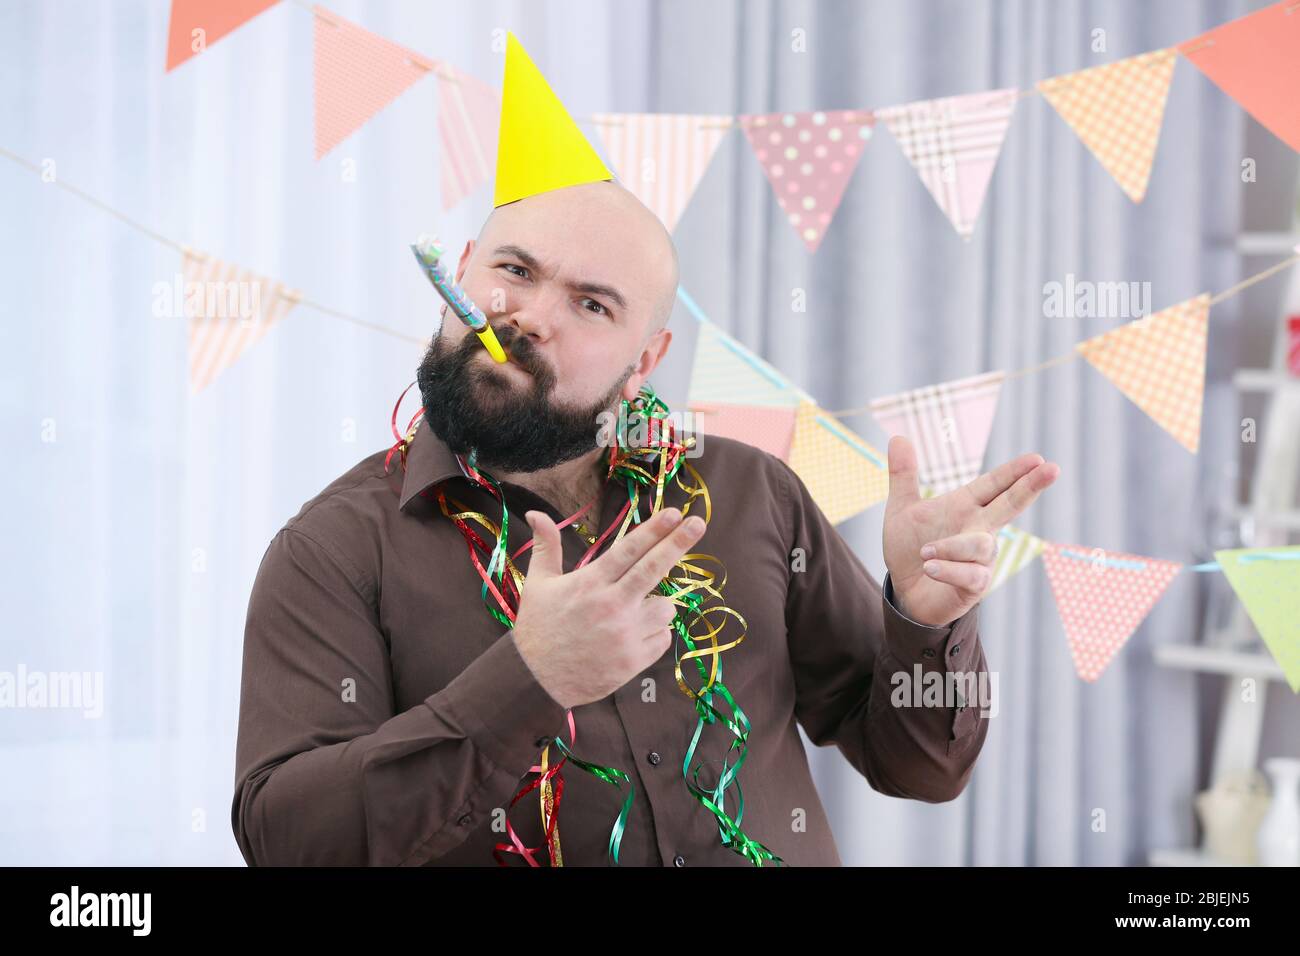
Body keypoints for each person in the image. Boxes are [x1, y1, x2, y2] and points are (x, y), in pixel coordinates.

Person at [231, 33, 1060, 867]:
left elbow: (919, 767)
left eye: (591, 305)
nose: (529, 316)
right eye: (515, 270)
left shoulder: (749, 493)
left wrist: (923, 619)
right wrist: (528, 678)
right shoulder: (331, 553)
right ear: (468, 270)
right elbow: (286, 841)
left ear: (646, 363)